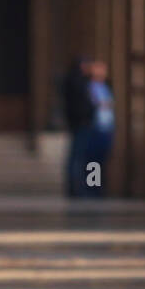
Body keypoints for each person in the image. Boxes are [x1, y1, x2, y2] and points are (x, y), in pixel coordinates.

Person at [64, 57, 115, 198]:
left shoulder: (106, 86)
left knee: (100, 160)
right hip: (94, 127)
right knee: (91, 161)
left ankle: (97, 188)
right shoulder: (87, 86)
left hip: (106, 127)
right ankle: (91, 188)